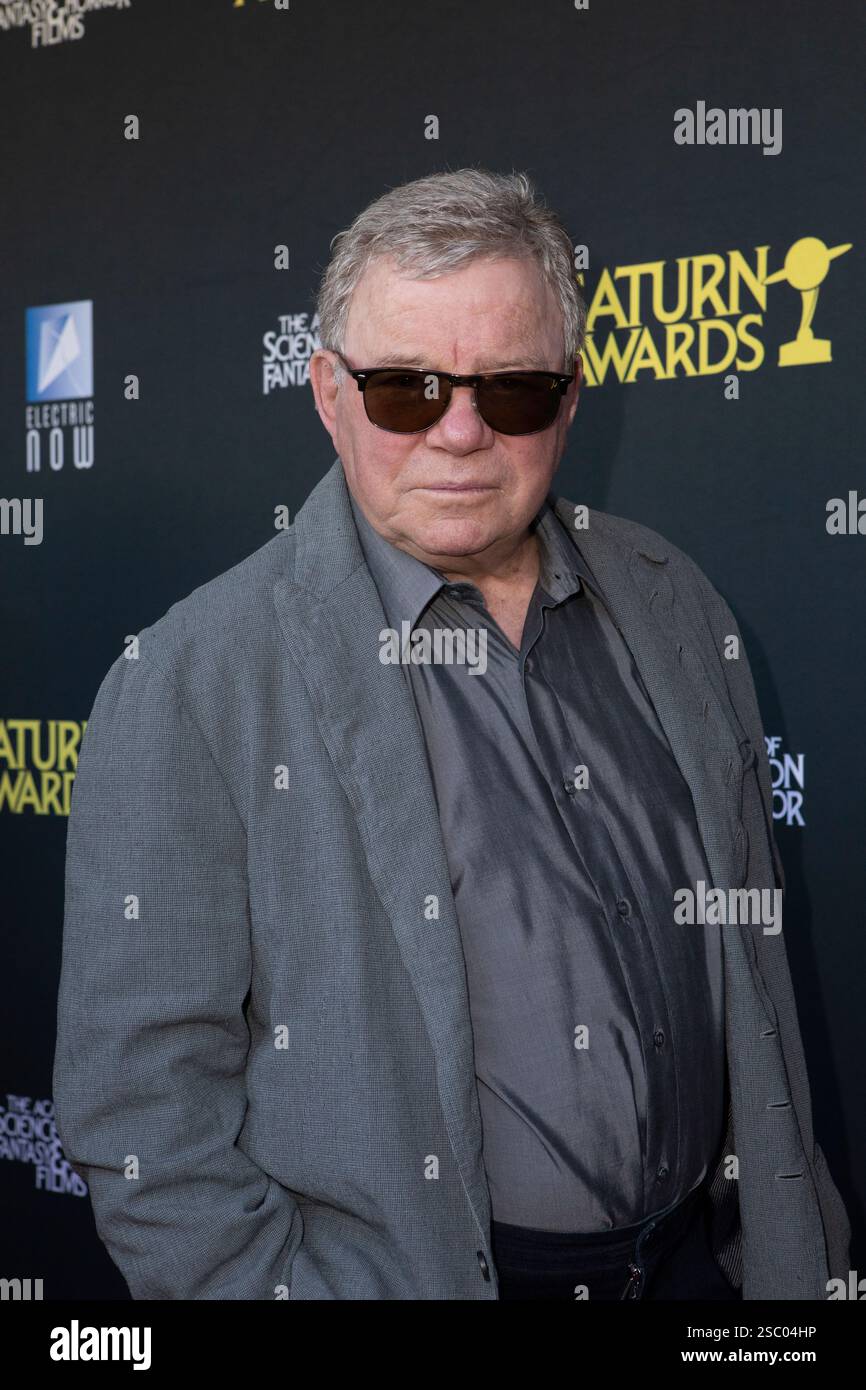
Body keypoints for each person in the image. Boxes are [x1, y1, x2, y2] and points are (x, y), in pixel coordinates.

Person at [53, 168, 850, 1300]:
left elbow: (751, 985)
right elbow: (143, 1113)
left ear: (569, 402)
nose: (462, 431)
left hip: (692, 1273)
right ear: (328, 394)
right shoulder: (191, 678)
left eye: (511, 390)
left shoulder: (674, 601)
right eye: (406, 391)